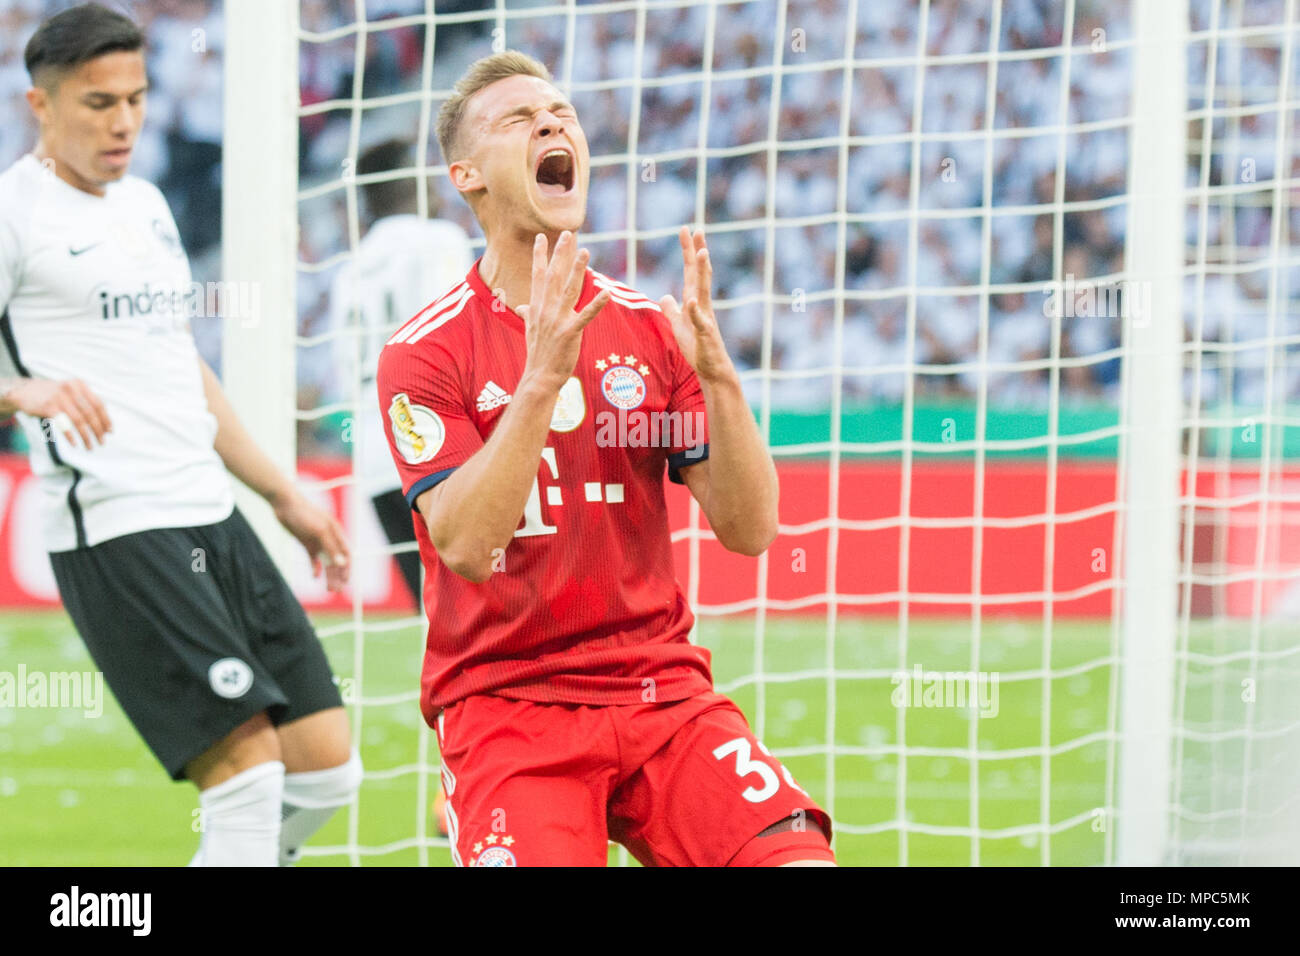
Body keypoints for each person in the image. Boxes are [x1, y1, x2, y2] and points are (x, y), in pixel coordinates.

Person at [376, 50, 834, 866]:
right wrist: (541, 377)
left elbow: (750, 527)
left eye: (562, 114)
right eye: (518, 119)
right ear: (467, 175)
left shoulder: (652, 330)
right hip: (509, 708)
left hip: (663, 696)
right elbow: (465, 548)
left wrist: (721, 382)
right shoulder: (425, 354)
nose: (553, 124)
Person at [0, 3, 360, 867]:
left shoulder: (148, 205)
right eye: (98, 103)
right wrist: (24, 392)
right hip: (119, 527)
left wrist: (280, 491)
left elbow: (183, 371)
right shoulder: (15, 213)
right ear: (41, 105)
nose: (124, 120)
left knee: (325, 772)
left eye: (136, 97)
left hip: (210, 510)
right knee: (246, 781)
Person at [329, 137, 473, 608]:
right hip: (437, 446)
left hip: (375, 458)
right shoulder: (438, 241)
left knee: (437, 614)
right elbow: (460, 335)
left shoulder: (348, 272)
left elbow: (343, 371)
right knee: (483, 609)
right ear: (408, 183)